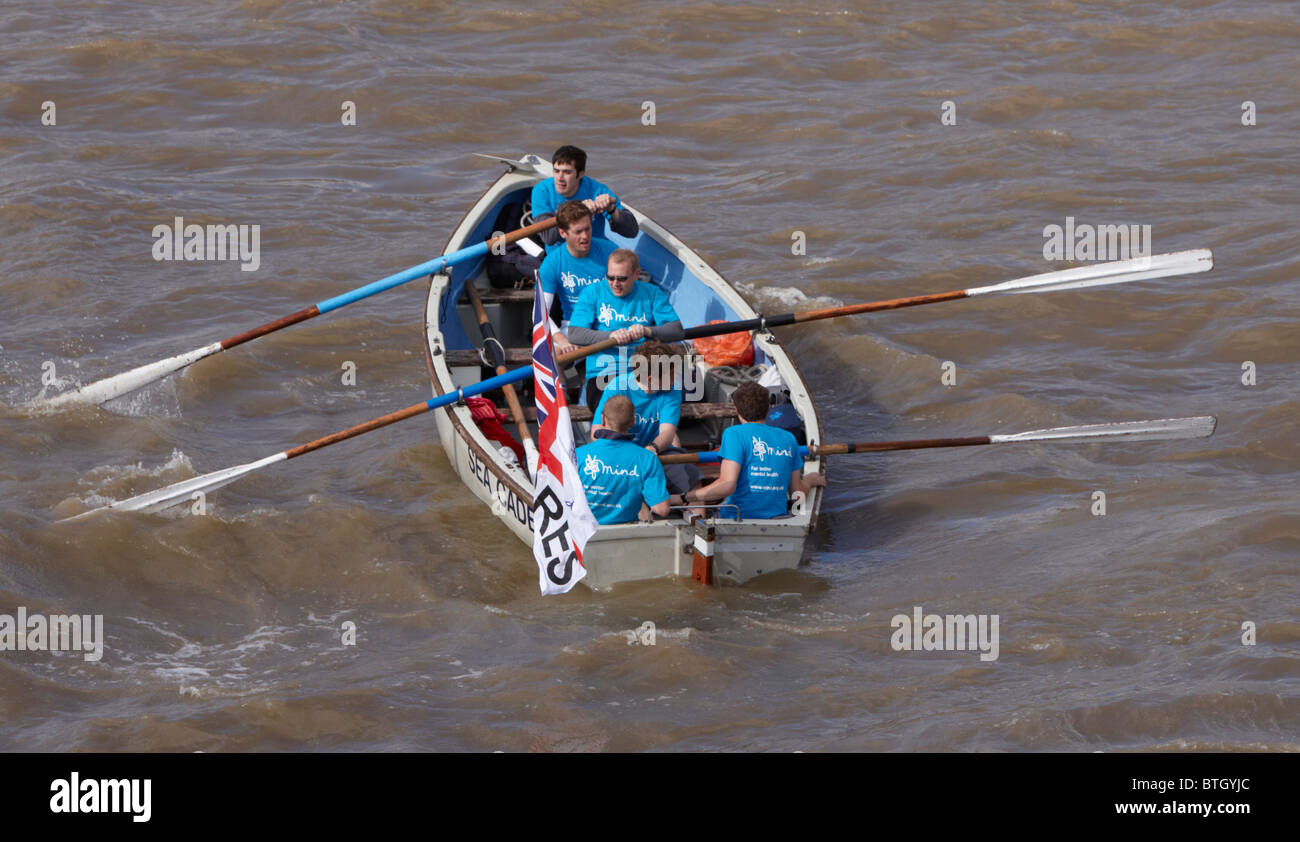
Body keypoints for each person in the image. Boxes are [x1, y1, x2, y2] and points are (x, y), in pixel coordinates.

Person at [684, 382, 826, 519]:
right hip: (777, 518)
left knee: (696, 495)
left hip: (736, 516)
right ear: (769, 408)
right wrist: (809, 480)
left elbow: (727, 485)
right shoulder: (788, 438)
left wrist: (685, 497)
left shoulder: (733, 433)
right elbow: (797, 495)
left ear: (737, 411)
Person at [566, 249, 682, 409]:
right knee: (619, 410)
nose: (615, 284)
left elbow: (676, 331)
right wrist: (610, 336)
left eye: (622, 279)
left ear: (636, 274)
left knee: (676, 401)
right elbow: (574, 334)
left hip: (645, 368)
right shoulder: (592, 292)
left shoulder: (652, 293)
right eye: (610, 277)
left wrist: (648, 331)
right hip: (605, 371)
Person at [592, 342, 700, 496]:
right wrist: (628, 454)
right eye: (671, 374)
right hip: (619, 454)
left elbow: (668, 433)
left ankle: (697, 516)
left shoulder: (672, 390)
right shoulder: (617, 387)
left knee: (693, 480)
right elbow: (597, 432)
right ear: (650, 379)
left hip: (654, 452)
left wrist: (652, 449)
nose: (676, 377)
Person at [576, 395, 671, 525]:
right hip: (624, 534)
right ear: (633, 422)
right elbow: (662, 509)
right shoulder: (647, 459)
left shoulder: (577, 455)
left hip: (582, 533)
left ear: (603, 419)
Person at [538, 201, 616, 356]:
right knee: (553, 353)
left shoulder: (610, 251)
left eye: (587, 229)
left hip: (610, 321)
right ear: (562, 233)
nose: (585, 236)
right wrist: (561, 340)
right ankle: (566, 379)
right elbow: (540, 312)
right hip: (575, 327)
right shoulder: (552, 263)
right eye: (578, 232)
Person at [531, 145, 638, 248]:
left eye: (567, 172)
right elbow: (548, 237)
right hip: (562, 253)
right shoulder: (542, 191)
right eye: (556, 171)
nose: (560, 178)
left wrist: (611, 210)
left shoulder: (598, 191)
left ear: (581, 174)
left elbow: (632, 232)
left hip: (595, 249)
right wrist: (578, 212)